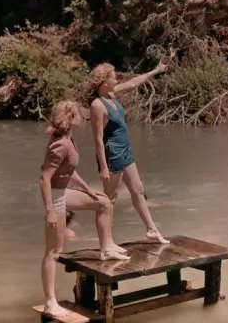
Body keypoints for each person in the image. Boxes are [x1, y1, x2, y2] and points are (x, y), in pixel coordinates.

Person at [39, 100, 129, 319]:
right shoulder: (61, 144)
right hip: (55, 197)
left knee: (103, 202)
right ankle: (50, 302)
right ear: (70, 118)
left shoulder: (69, 139)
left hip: (63, 191)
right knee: (53, 252)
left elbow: (68, 170)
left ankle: (106, 248)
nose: (83, 117)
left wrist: (89, 191)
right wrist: (51, 210)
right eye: (79, 115)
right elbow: (44, 177)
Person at [86, 62, 169, 244]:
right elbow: (98, 139)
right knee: (109, 199)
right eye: (113, 76)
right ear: (104, 80)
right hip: (112, 154)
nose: (117, 78)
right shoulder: (97, 105)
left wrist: (155, 70)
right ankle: (107, 241)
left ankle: (151, 229)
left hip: (125, 150)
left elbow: (133, 83)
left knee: (138, 190)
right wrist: (104, 167)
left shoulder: (111, 94)